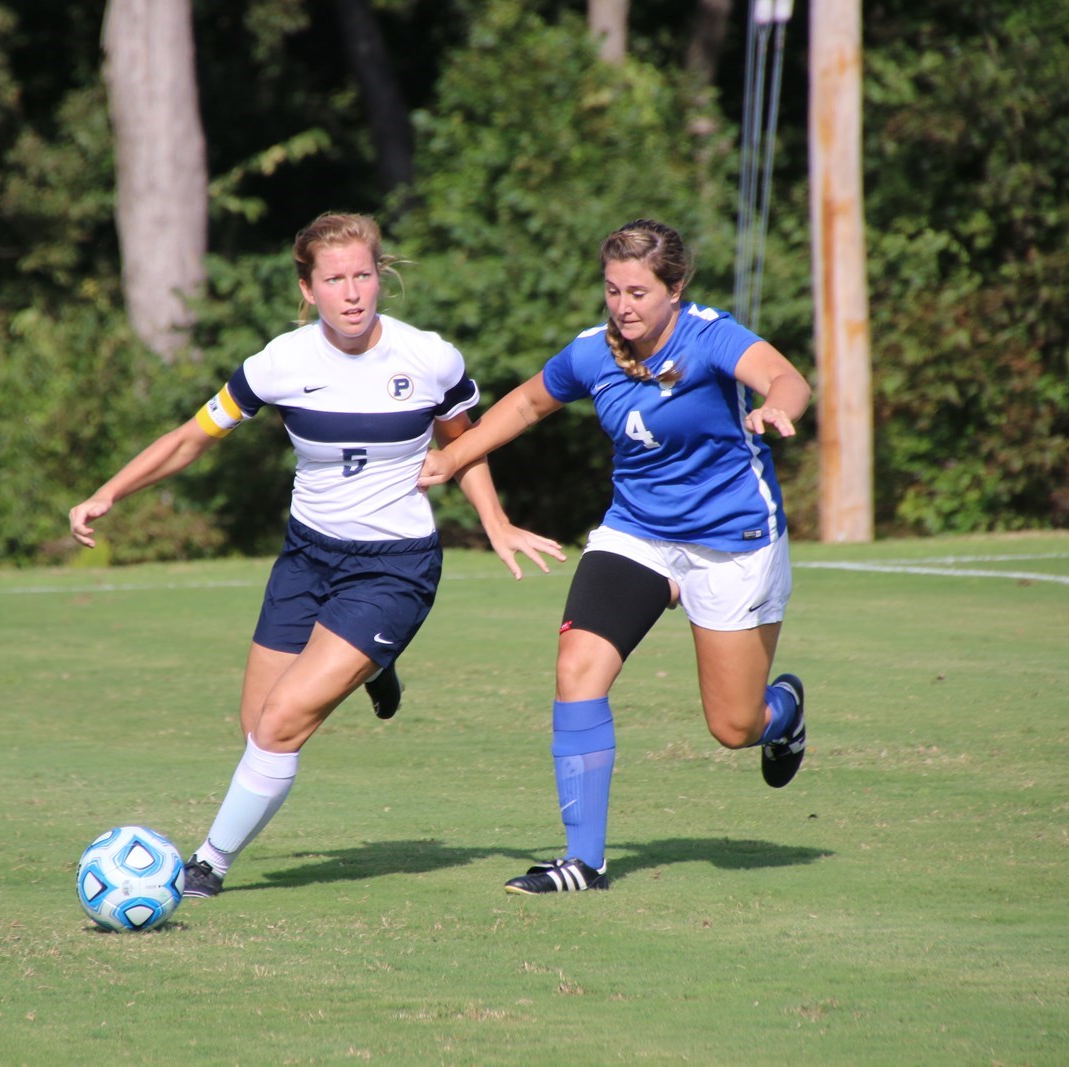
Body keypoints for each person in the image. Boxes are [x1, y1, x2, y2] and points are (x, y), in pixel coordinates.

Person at [69, 212, 565, 899]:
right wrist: (109, 492)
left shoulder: (429, 358)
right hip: (306, 557)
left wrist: (497, 520)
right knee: (258, 729)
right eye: (335, 279)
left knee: (281, 723)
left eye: (364, 275)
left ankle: (207, 865)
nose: (353, 292)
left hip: (394, 565)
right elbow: (192, 436)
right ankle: (373, 666)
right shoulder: (282, 362)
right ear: (308, 289)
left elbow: (464, 443)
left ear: (381, 276)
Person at [418, 218, 811, 895]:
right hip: (638, 533)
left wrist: (776, 406)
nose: (623, 306)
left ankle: (785, 714)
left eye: (638, 292)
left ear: (676, 288)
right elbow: (529, 402)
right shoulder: (592, 352)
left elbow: (785, 376)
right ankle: (585, 861)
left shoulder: (711, 336)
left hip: (734, 540)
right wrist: (453, 455)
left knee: (733, 724)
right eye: (612, 290)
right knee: (577, 667)